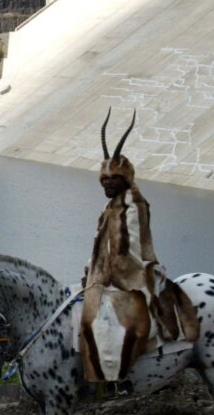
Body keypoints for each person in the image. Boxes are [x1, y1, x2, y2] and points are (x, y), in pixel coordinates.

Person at [81, 109, 198, 384]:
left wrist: (109, 275)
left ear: (124, 180)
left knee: (130, 322)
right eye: (104, 180)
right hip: (106, 275)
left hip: (134, 273)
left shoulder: (134, 204)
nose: (107, 185)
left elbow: (128, 248)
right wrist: (92, 270)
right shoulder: (111, 206)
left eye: (113, 180)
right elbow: (102, 245)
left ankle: (122, 378)